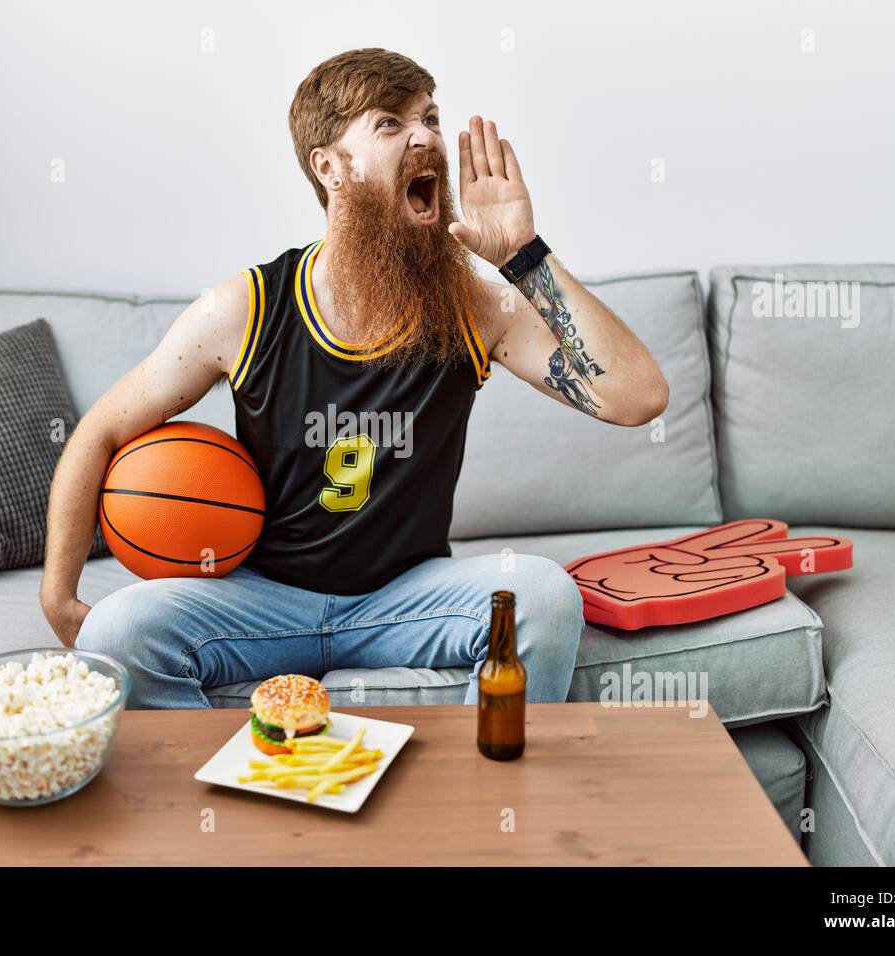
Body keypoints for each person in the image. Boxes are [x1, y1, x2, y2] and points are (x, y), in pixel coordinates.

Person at [41, 48, 669, 709]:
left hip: (409, 599)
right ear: (330, 167)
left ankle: (491, 795)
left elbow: (636, 398)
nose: (426, 135)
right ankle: (233, 787)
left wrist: (522, 255)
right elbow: (102, 431)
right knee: (118, 627)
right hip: (264, 601)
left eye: (429, 116)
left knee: (542, 596)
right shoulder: (245, 309)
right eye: (390, 124)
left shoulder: (473, 307)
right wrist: (58, 595)